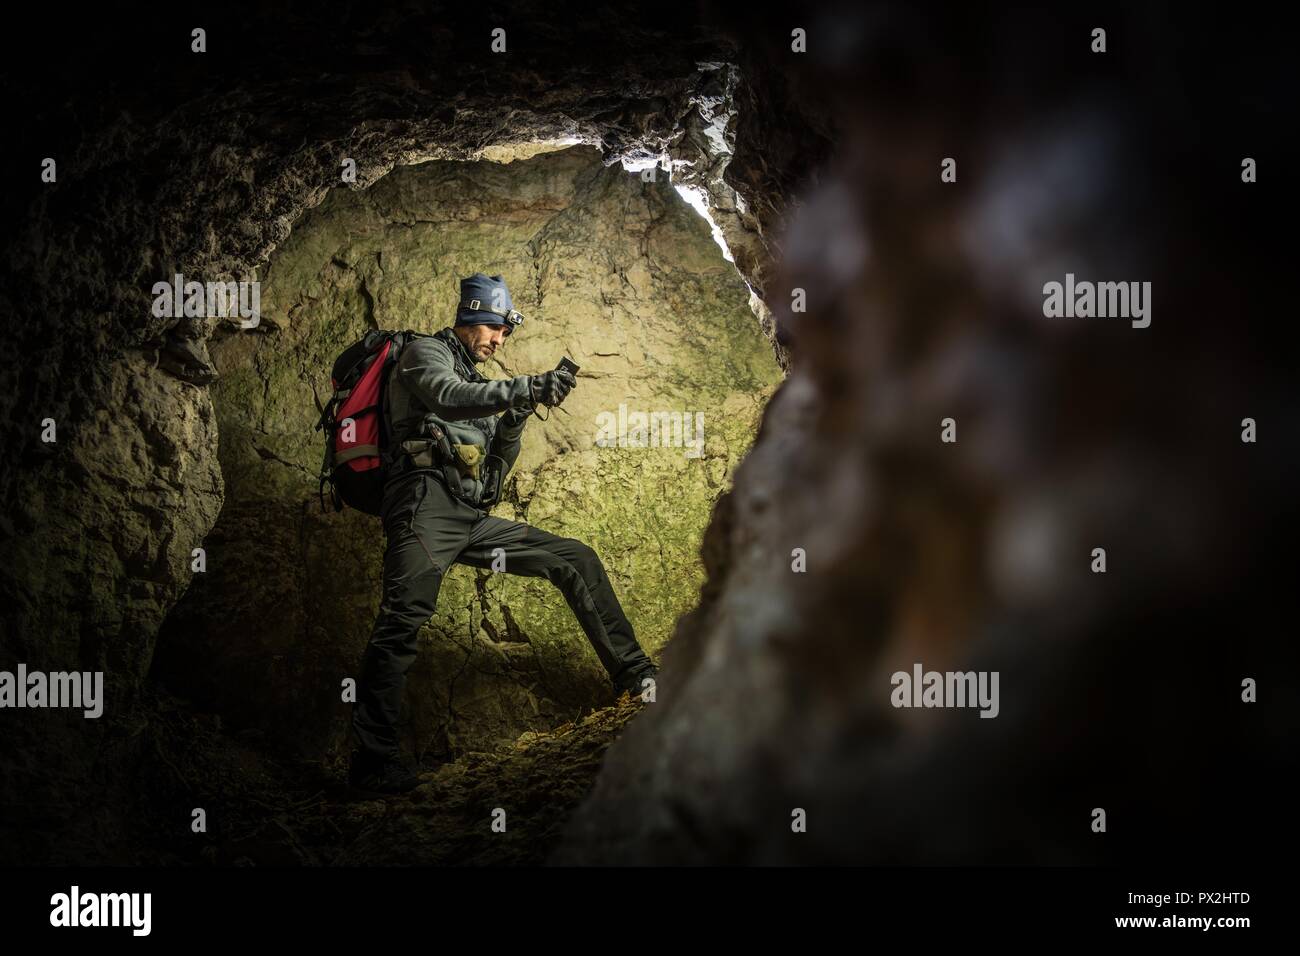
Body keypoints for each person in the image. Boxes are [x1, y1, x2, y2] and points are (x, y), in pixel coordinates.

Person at [348, 272, 659, 795]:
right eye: (493, 327)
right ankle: (372, 765)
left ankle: (639, 678)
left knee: (574, 559)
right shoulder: (426, 354)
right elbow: (448, 397)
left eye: (505, 332)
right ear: (470, 317)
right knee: (402, 619)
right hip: (423, 504)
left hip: (468, 516)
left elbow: (493, 476)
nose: (499, 339)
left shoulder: (481, 384)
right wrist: (525, 387)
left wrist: (515, 417)